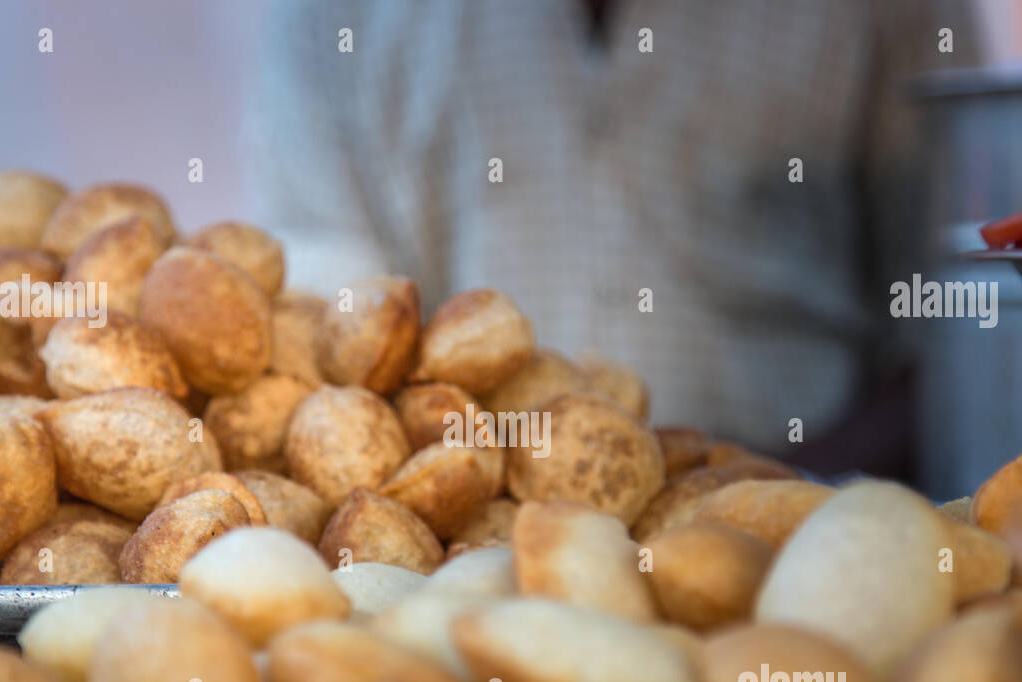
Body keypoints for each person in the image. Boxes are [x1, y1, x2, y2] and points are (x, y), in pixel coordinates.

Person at [244, 0, 980, 475]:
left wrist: (777, 495)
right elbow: (329, 358)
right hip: (468, 567)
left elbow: (968, 323)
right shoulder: (327, 19)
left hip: (817, 539)